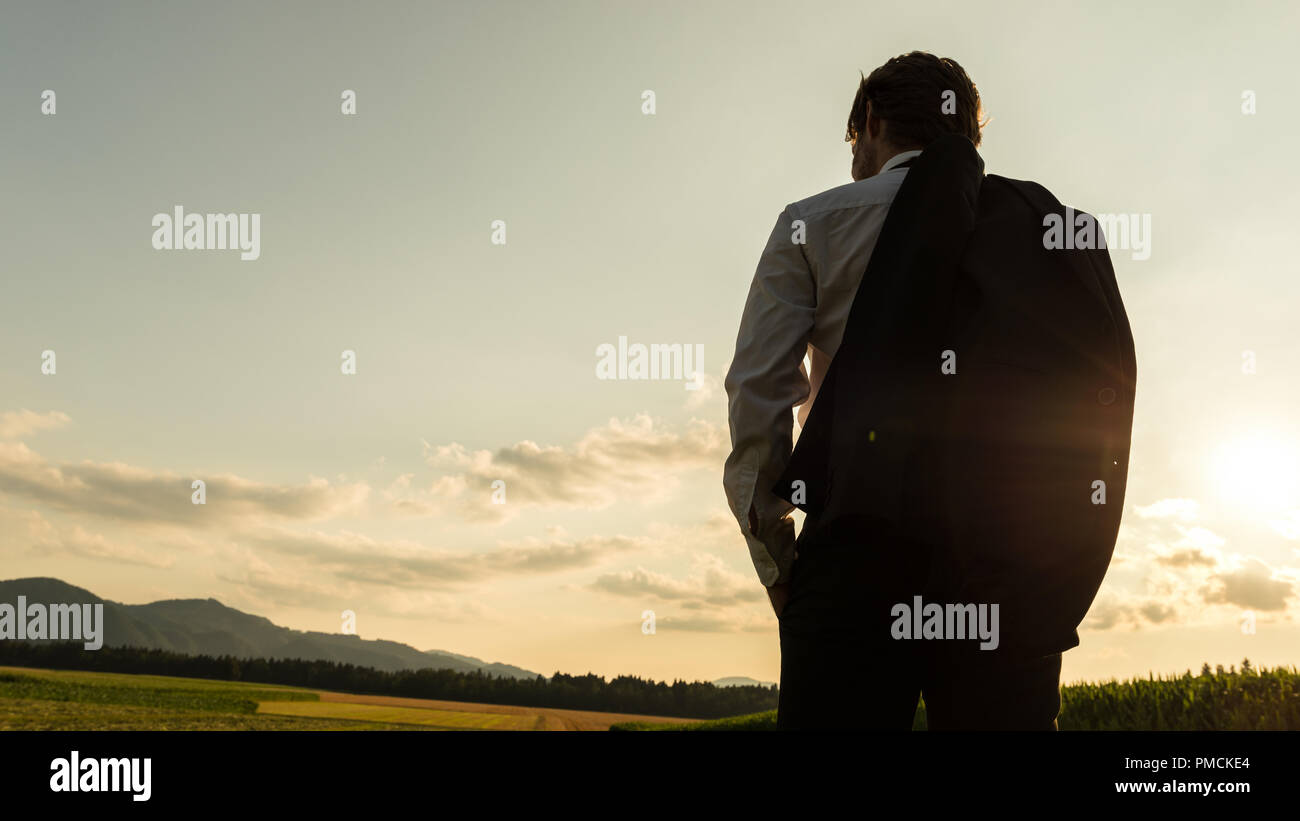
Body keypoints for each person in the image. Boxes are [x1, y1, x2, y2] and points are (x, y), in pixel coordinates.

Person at [723, 52, 1136, 730]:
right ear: (969, 137)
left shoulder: (813, 223)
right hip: (1008, 576)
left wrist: (779, 558)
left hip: (853, 565)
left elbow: (758, 395)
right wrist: (1057, 571)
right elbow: (1103, 400)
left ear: (872, 123)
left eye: (853, 140)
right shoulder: (1059, 230)